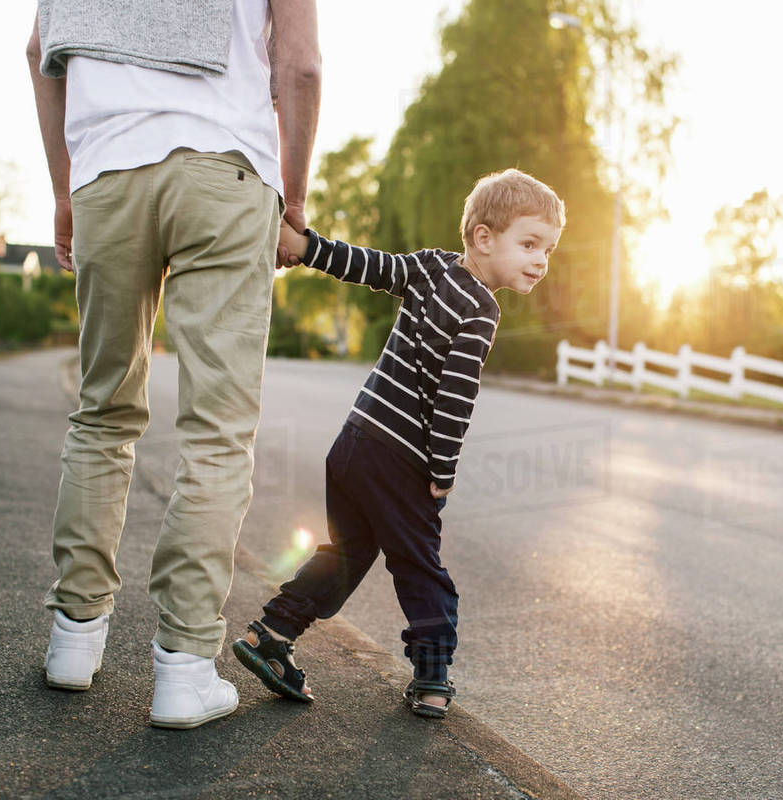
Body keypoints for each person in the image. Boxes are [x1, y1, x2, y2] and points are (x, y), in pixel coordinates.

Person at [27, 0, 321, 729]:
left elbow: (40, 49)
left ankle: (74, 638)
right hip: (224, 169)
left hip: (105, 179)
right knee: (217, 432)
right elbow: (301, 63)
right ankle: (185, 670)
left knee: (103, 411)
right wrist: (294, 198)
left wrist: (65, 192)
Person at [232, 169, 565, 719]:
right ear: (484, 238)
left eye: (547, 250)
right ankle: (433, 679)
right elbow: (454, 403)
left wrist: (307, 248)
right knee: (420, 565)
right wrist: (443, 474)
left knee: (349, 550)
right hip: (400, 460)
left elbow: (368, 266)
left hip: (354, 444)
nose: (540, 260)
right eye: (528, 244)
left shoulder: (431, 266)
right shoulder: (482, 310)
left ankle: (273, 632)